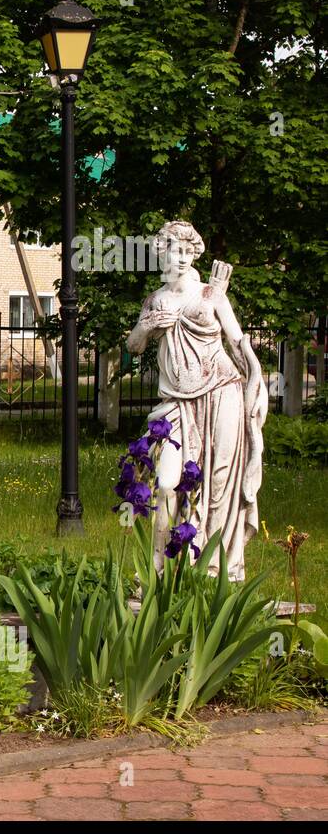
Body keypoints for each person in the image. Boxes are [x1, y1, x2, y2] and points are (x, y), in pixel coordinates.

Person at [126, 220, 267, 579]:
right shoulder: (156, 299)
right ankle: (158, 574)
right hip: (176, 402)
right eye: (176, 249)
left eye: (189, 251)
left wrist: (259, 383)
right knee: (168, 484)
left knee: (219, 481)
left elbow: (238, 343)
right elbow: (133, 346)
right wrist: (147, 325)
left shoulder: (211, 294)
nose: (184, 257)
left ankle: (214, 567)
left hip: (223, 391)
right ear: (162, 252)